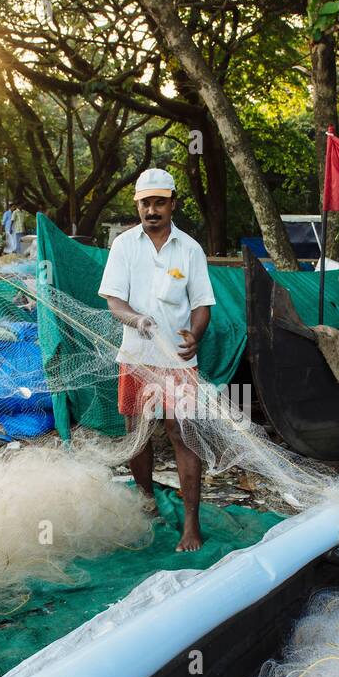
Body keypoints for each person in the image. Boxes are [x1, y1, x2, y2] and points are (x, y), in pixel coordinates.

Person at [99, 168, 214, 552]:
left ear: (172, 204)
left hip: (178, 362)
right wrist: (137, 319)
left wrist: (194, 336)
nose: (152, 210)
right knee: (137, 434)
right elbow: (114, 301)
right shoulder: (124, 246)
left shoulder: (189, 249)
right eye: (146, 203)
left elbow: (201, 305)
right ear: (138, 205)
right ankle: (147, 501)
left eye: (159, 202)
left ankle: (191, 524)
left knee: (183, 434)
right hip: (135, 357)